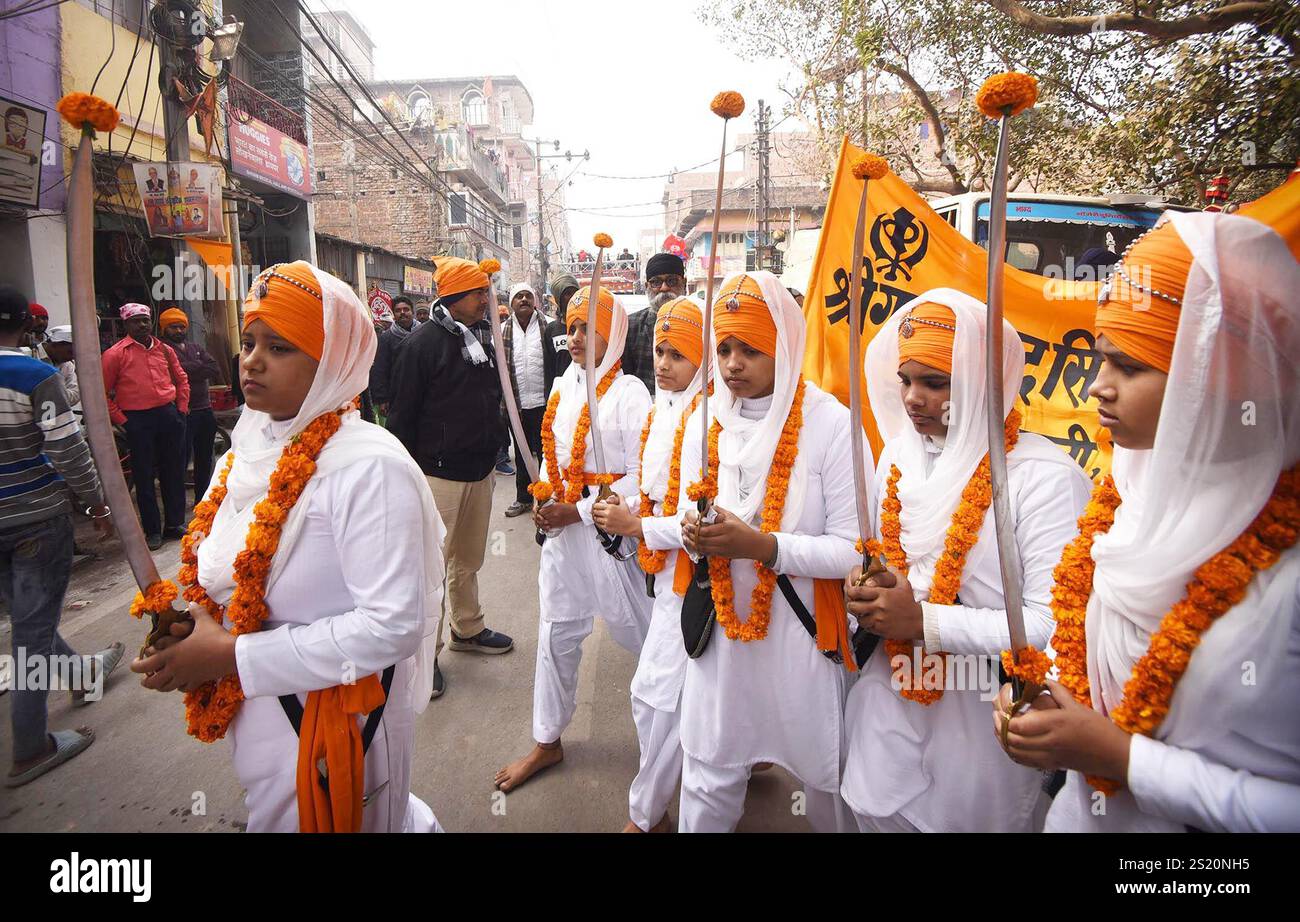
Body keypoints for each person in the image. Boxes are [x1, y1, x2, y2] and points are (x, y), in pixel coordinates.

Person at [996, 212, 1300, 832]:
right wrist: (1042, 700)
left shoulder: (1287, 572)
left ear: (1217, 381)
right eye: (1101, 359)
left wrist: (1123, 759)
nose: (1097, 388)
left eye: (1130, 368)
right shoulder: (1130, 496)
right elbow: (1080, 656)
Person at [128, 261, 446, 832]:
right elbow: (227, 566)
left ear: (331, 362)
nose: (251, 360)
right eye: (249, 342)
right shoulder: (241, 452)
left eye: (280, 347)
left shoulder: (368, 466)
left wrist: (232, 656)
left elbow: (393, 626)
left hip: (342, 719)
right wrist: (198, 625)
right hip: (259, 711)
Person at [839, 290, 1091, 833]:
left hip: (985, 713)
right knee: (873, 805)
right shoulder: (899, 459)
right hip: (893, 691)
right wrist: (872, 588)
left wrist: (923, 621)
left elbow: (1052, 629)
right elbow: (895, 565)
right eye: (905, 380)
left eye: (936, 382)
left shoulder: (1043, 479)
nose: (913, 398)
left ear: (984, 380)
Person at [676, 271, 864, 833]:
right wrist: (694, 535)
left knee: (822, 781)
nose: (733, 364)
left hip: (800, 636)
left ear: (786, 344)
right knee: (709, 768)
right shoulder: (704, 420)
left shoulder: (830, 423)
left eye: (751, 349)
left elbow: (854, 550)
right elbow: (690, 507)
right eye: (725, 348)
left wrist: (761, 545)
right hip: (722, 635)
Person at [494, 285, 653, 793]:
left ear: (617, 334)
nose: (577, 337)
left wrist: (580, 510)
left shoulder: (631, 395)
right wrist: (544, 500)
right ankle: (547, 739)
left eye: (590, 328)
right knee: (556, 635)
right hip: (562, 535)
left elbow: (642, 478)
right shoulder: (563, 385)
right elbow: (553, 458)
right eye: (573, 327)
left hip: (611, 538)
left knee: (650, 644)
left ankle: (689, 744)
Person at [0, 287, 122, 789]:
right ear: (29, 328)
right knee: (30, 631)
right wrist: (96, 501)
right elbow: (67, 447)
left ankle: (82, 673)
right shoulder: (35, 376)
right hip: (34, 520)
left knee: (29, 619)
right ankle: (31, 747)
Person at [593, 296, 706, 833]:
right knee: (665, 696)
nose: (663, 363)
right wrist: (617, 500)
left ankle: (646, 814)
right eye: (659, 350)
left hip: (697, 579)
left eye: (679, 354)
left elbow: (696, 518)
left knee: (657, 698)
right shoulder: (665, 409)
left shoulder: (710, 422)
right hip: (662, 573)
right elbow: (649, 483)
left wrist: (637, 526)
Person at [388, 257, 515, 701]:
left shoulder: (482, 336)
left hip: (479, 470)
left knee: (469, 558)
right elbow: (401, 414)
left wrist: (495, 437)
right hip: (436, 474)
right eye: (479, 293)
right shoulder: (421, 345)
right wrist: (404, 475)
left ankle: (468, 627)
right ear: (455, 297)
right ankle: (426, 655)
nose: (487, 300)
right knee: (431, 568)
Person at [102, 303, 190, 550]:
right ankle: (152, 531)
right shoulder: (115, 354)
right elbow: (102, 393)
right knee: (144, 477)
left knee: (173, 471)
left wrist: (181, 408)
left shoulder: (164, 350)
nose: (142, 324)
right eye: (136, 321)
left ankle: (174, 524)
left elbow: (181, 379)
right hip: (137, 420)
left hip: (169, 415)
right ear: (125, 324)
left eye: (145, 320)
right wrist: (123, 421)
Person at [502, 282, 559, 518]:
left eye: (527, 296)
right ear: (512, 303)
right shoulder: (503, 330)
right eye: (518, 297)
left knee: (547, 452)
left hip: (545, 402)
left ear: (534, 301)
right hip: (518, 405)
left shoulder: (548, 327)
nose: (523, 300)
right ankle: (524, 498)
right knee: (523, 453)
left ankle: (549, 497)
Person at [159, 307, 222, 509]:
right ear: (164, 329)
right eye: (173, 327)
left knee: (205, 458)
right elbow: (170, 373)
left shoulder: (195, 346)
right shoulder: (162, 349)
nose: (178, 331)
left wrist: (187, 367)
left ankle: (202, 500)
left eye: (181, 327)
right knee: (180, 459)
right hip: (182, 411)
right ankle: (177, 507)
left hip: (205, 409)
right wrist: (197, 367)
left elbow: (214, 368)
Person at [622, 253, 688, 396]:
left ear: (684, 283)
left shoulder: (701, 323)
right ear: (647, 286)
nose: (664, 288)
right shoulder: (630, 325)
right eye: (656, 282)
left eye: (671, 281)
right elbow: (624, 378)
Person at [369, 294, 417, 419]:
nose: (402, 313)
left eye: (406, 309)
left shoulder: (424, 334)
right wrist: (382, 398)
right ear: (394, 315)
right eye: (398, 310)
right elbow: (380, 369)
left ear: (412, 312)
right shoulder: (386, 338)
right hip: (397, 395)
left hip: (421, 393)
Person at [547, 273, 578, 379]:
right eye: (567, 293)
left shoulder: (590, 325)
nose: (573, 296)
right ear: (558, 299)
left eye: (576, 292)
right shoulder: (551, 330)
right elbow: (549, 368)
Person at [42, 325, 78, 409]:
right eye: (70, 352)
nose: (72, 357)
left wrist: (45, 394)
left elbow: (75, 394)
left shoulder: (67, 365)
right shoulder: (30, 356)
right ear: (55, 344)